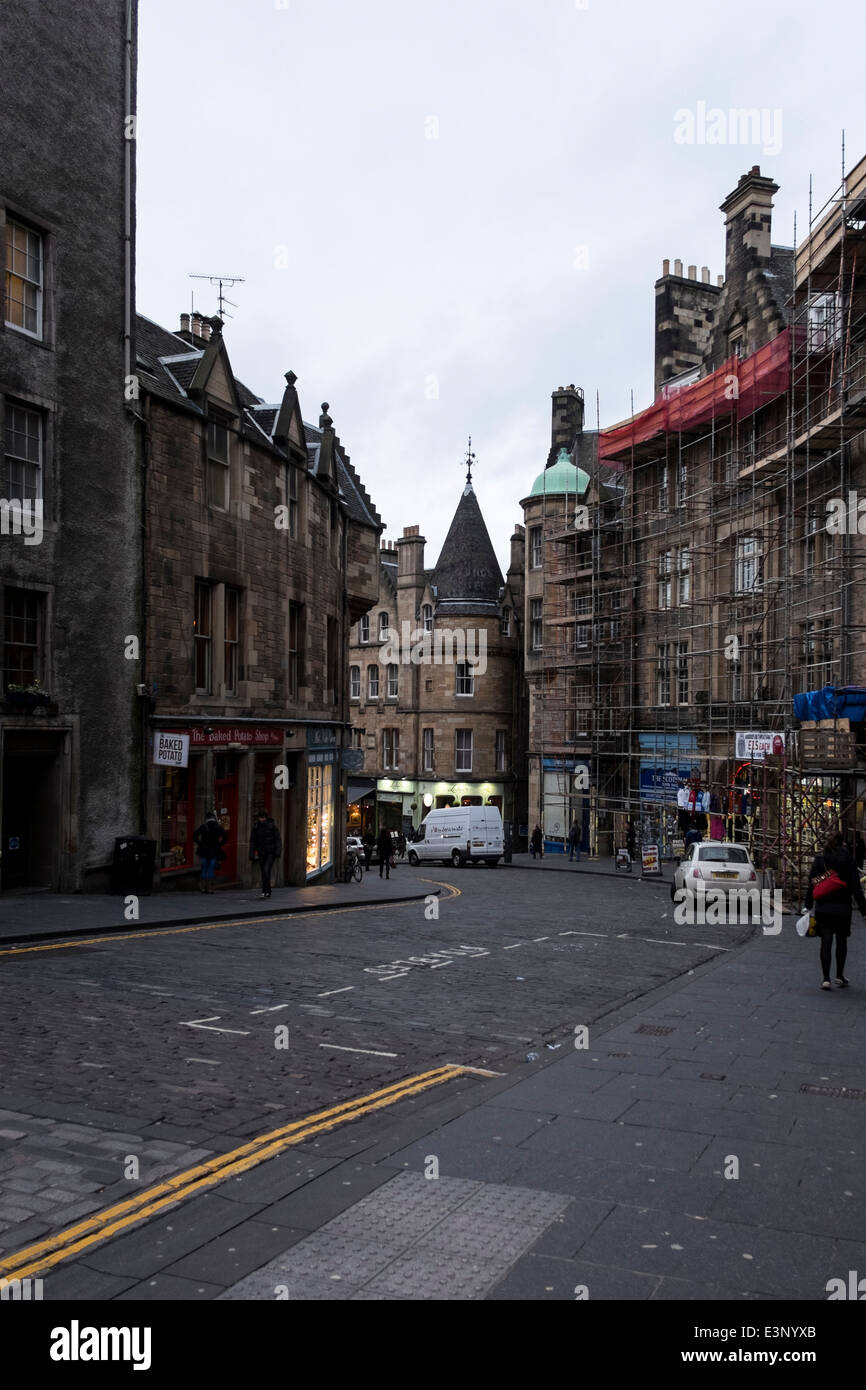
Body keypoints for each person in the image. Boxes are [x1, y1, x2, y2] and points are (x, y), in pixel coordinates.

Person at [806, 833, 866, 990]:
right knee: (841, 941)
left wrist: (808, 904)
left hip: (824, 907)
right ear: (843, 844)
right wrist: (864, 910)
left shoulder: (821, 860)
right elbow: (856, 888)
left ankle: (826, 979)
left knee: (825, 942)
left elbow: (812, 883)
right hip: (843, 908)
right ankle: (839, 976)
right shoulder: (848, 861)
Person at [249, 809, 282, 899]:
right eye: (260, 818)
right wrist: (252, 853)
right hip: (261, 852)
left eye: (263, 818)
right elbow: (253, 841)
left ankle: (267, 891)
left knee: (266, 870)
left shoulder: (272, 826)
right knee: (263, 872)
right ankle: (265, 890)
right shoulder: (256, 827)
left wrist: (278, 852)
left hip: (270, 852)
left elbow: (278, 839)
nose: (262, 819)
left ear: (266, 818)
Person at [193, 810, 227, 893]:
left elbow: (195, 835)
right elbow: (225, 837)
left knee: (204, 868)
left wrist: (199, 843)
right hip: (213, 850)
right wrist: (219, 844)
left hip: (204, 850)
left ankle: (203, 887)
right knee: (211, 868)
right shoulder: (218, 827)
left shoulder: (203, 826)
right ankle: (210, 888)